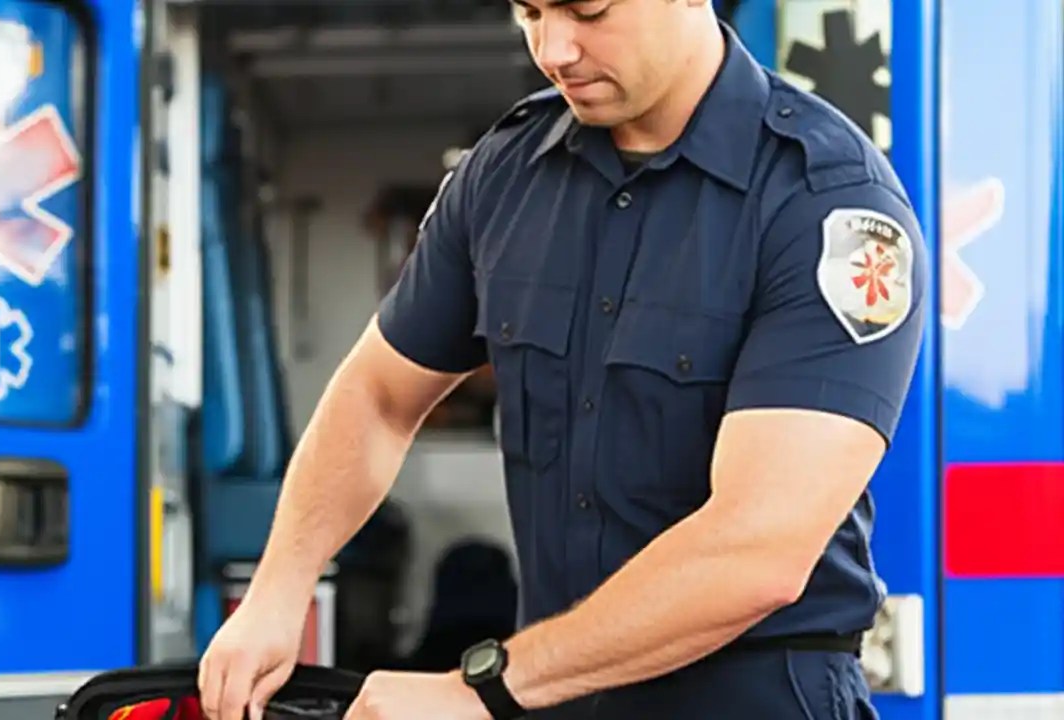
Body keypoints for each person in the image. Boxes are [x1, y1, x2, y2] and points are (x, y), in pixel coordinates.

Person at [198, 0, 927, 718]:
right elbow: (379, 395)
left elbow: (757, 551)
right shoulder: (505, 176)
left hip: (749, 697)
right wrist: (277, 591)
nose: (553, 50)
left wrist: (480, 691)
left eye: (587, 11)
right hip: (551, 691)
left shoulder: (825, 205)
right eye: (530, 13)